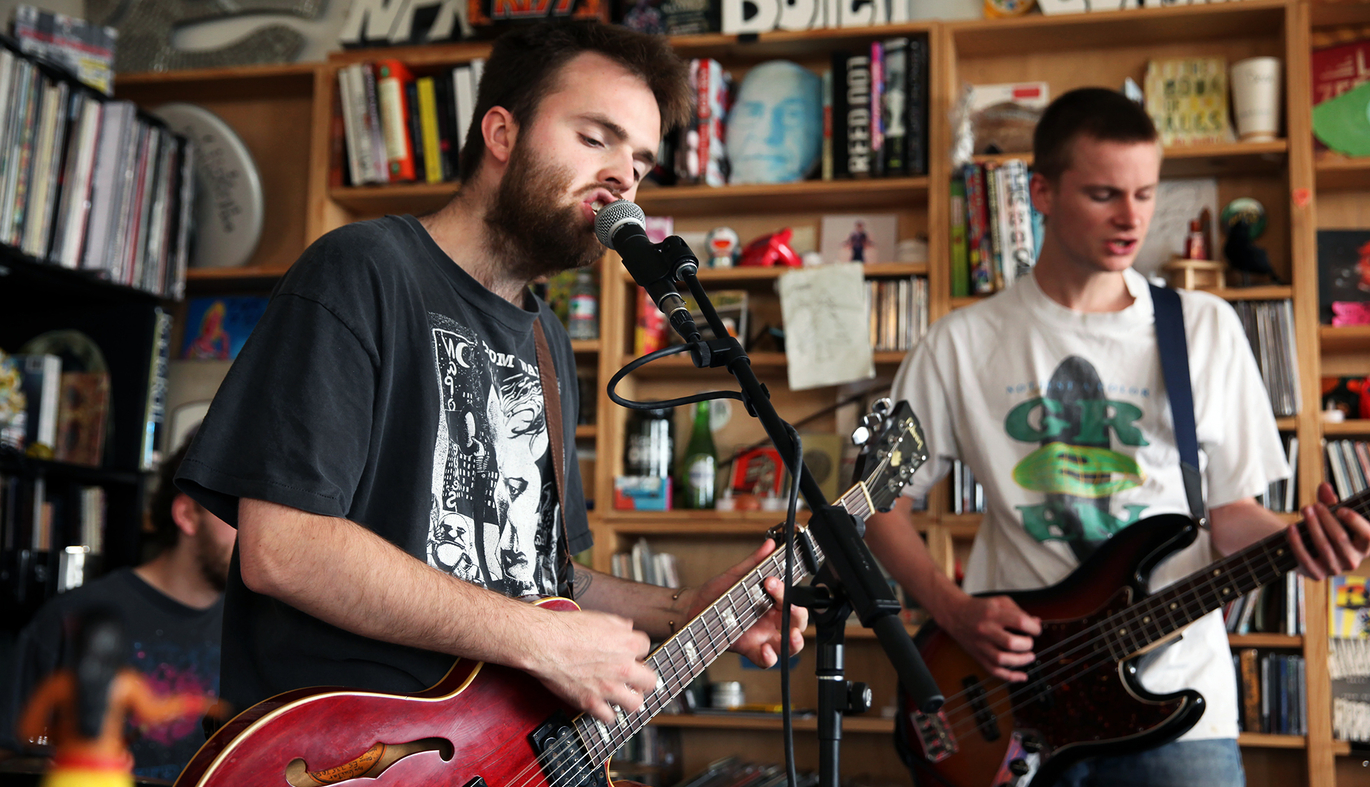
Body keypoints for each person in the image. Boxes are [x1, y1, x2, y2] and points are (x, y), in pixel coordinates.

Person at [174, 20, 807, 726]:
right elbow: (284, 547)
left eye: (641, 161)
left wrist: (686, 608)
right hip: (350, 762)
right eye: (596, 137)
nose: (623, 176)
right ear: (501, 135)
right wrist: (539, 640)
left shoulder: (548, 342)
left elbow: (539, 579)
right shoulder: (363, 271)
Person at [865, 87, 1370, 786]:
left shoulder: (1204, 327)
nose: (1132, 218)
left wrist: (1304, 541)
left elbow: (1230, 515)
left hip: (1176, 700)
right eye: (1105, 193)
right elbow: (874, 504)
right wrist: (951, 609)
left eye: (1145, 193)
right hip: (1015, 698)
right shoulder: (961, 342)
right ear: (1040, 191)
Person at [1, 437, 235, 782]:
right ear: (187, 514)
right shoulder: (74, 615)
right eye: (237, 513)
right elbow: (13, 745)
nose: (260, 535)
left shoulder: (258, 633)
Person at [16, 607, 224, 787]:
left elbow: (28, 732)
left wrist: (68, 737)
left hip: (68, 772)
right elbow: (155, 713)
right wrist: (198, 703)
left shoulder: (60, 683)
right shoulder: (124, 684)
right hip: (109, 775)